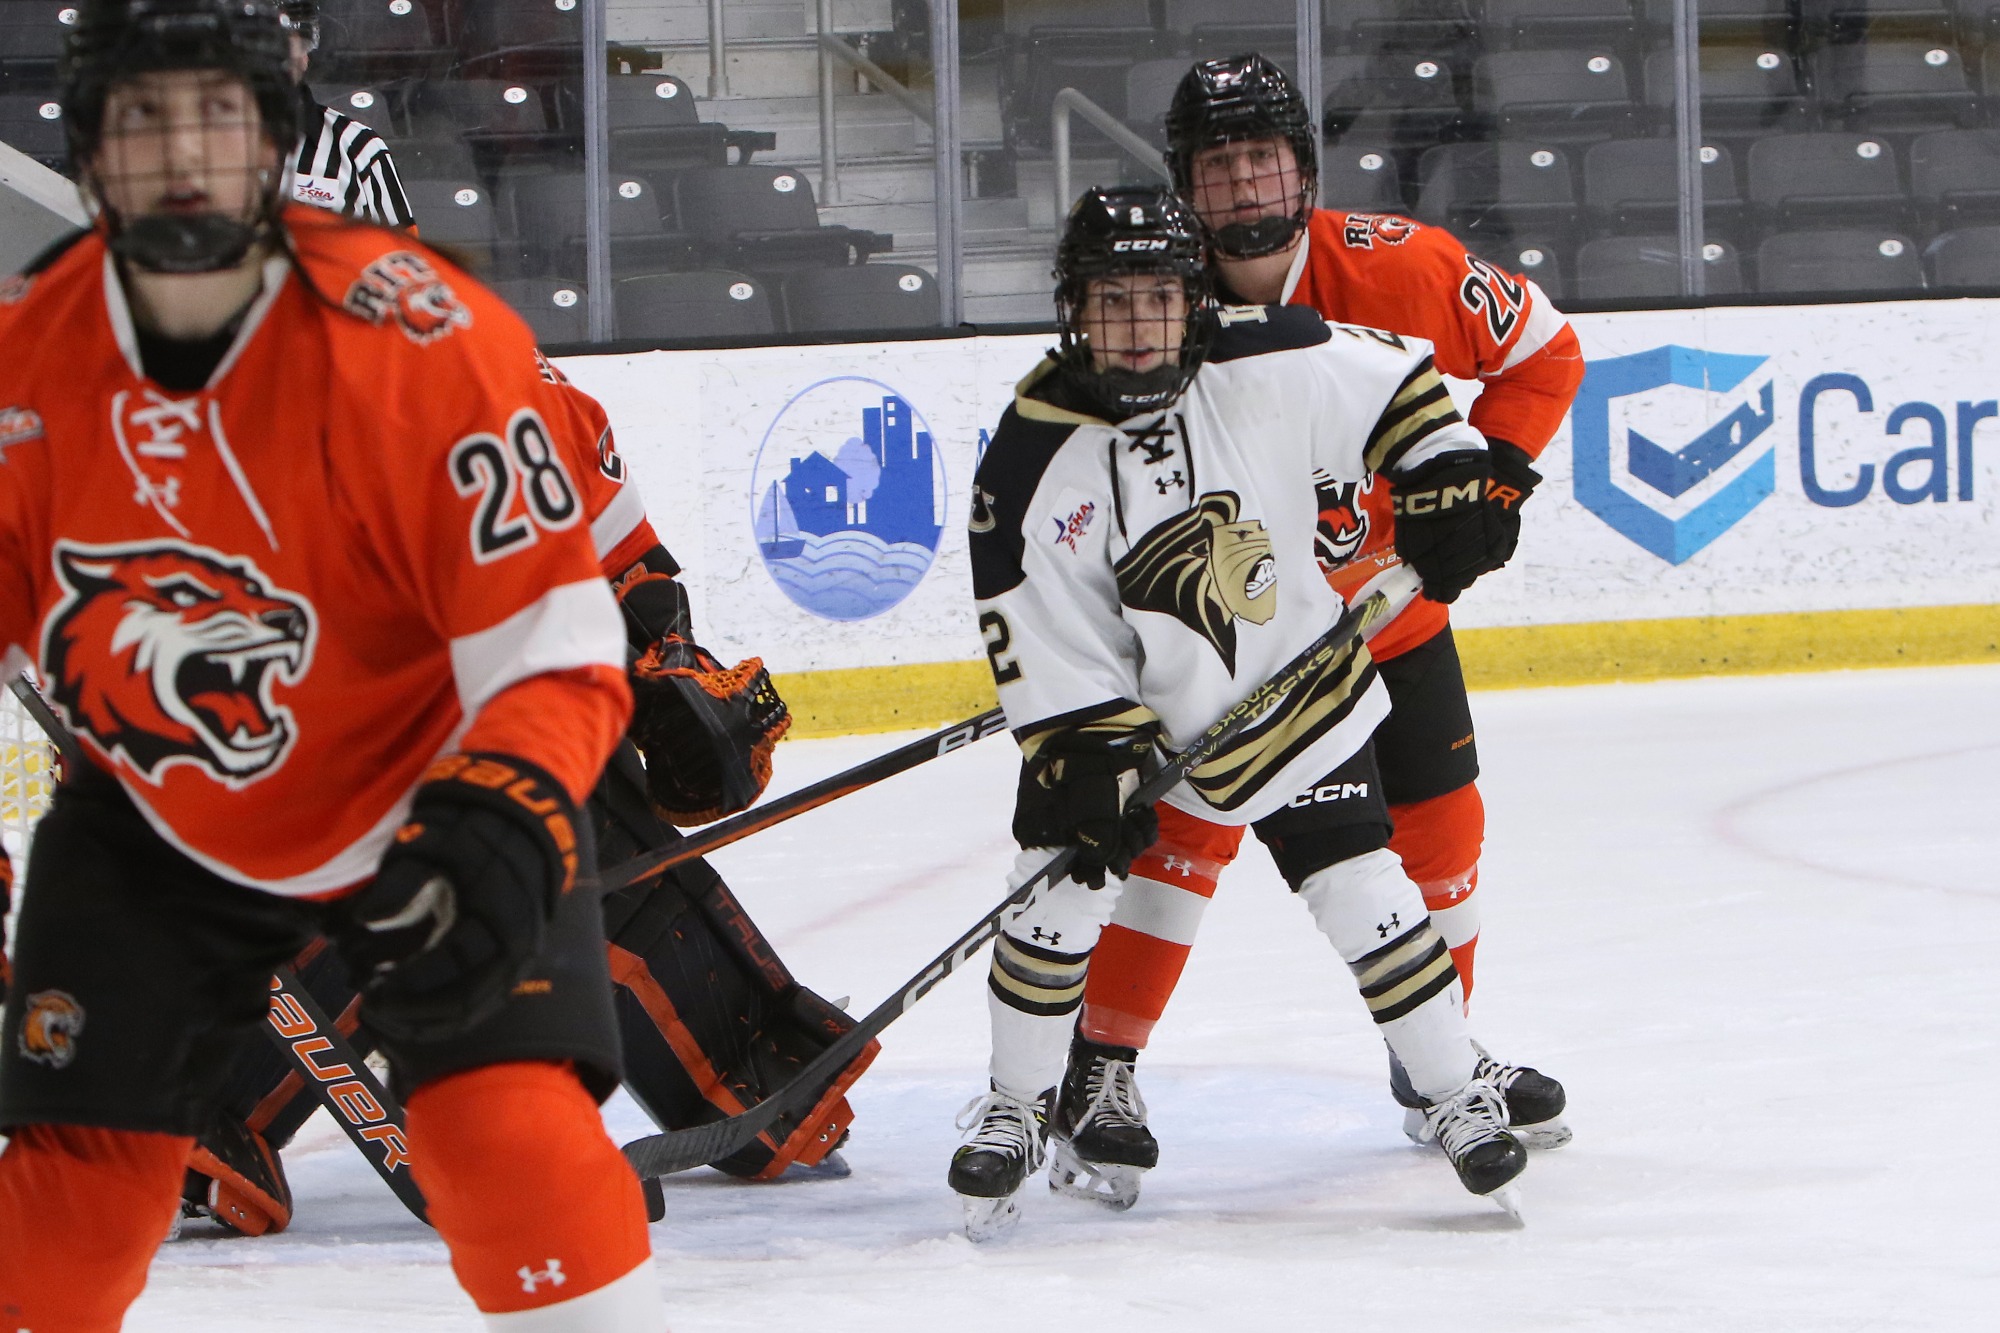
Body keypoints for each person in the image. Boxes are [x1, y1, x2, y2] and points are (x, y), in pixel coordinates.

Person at [0, 2, 660, 1325]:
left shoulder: (424, 339)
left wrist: (508, 809)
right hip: (158, 808)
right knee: (68, 1194)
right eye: (143, 117)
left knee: (505, 1136)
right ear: (89, 147)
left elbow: (557, 641)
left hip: (427, 783)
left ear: (275, 137)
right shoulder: (27, 369)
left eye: (217, 114)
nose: (183, 155)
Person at [948, 184, 1530, 1239]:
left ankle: (1452, 1092)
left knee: (1364, 888)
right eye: (1110, 302)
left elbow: (1400, 383)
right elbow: (1034, 612)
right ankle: (1018, 1106)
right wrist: (1083, 747)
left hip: (1292, 686)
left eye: (1156, 299)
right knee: (1055, 896)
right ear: (1073, 309)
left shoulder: (1267, 352)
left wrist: (1448, 475)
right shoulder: (1034, 445)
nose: (1136, 327)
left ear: (1193, 300)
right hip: (1128, 718)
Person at [1053, 54, 1584, 1201]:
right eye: (1218, 165)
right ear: (1184, 181)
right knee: (1177, 845)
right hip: (1225, 643)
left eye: (1262, 158)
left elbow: (1544, 354)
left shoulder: (1405, 266)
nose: (1243, 184)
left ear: (1301, 166)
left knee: (1441, 834)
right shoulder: (1150, 300)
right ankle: (1096, 1070)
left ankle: (1436, 1061)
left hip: (1388, 622)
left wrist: (1488, 480)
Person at [278, 0, 413, 226]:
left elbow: (400, 245)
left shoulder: (360, 149)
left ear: (305, 56)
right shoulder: (210, 142)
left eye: (288, 38)